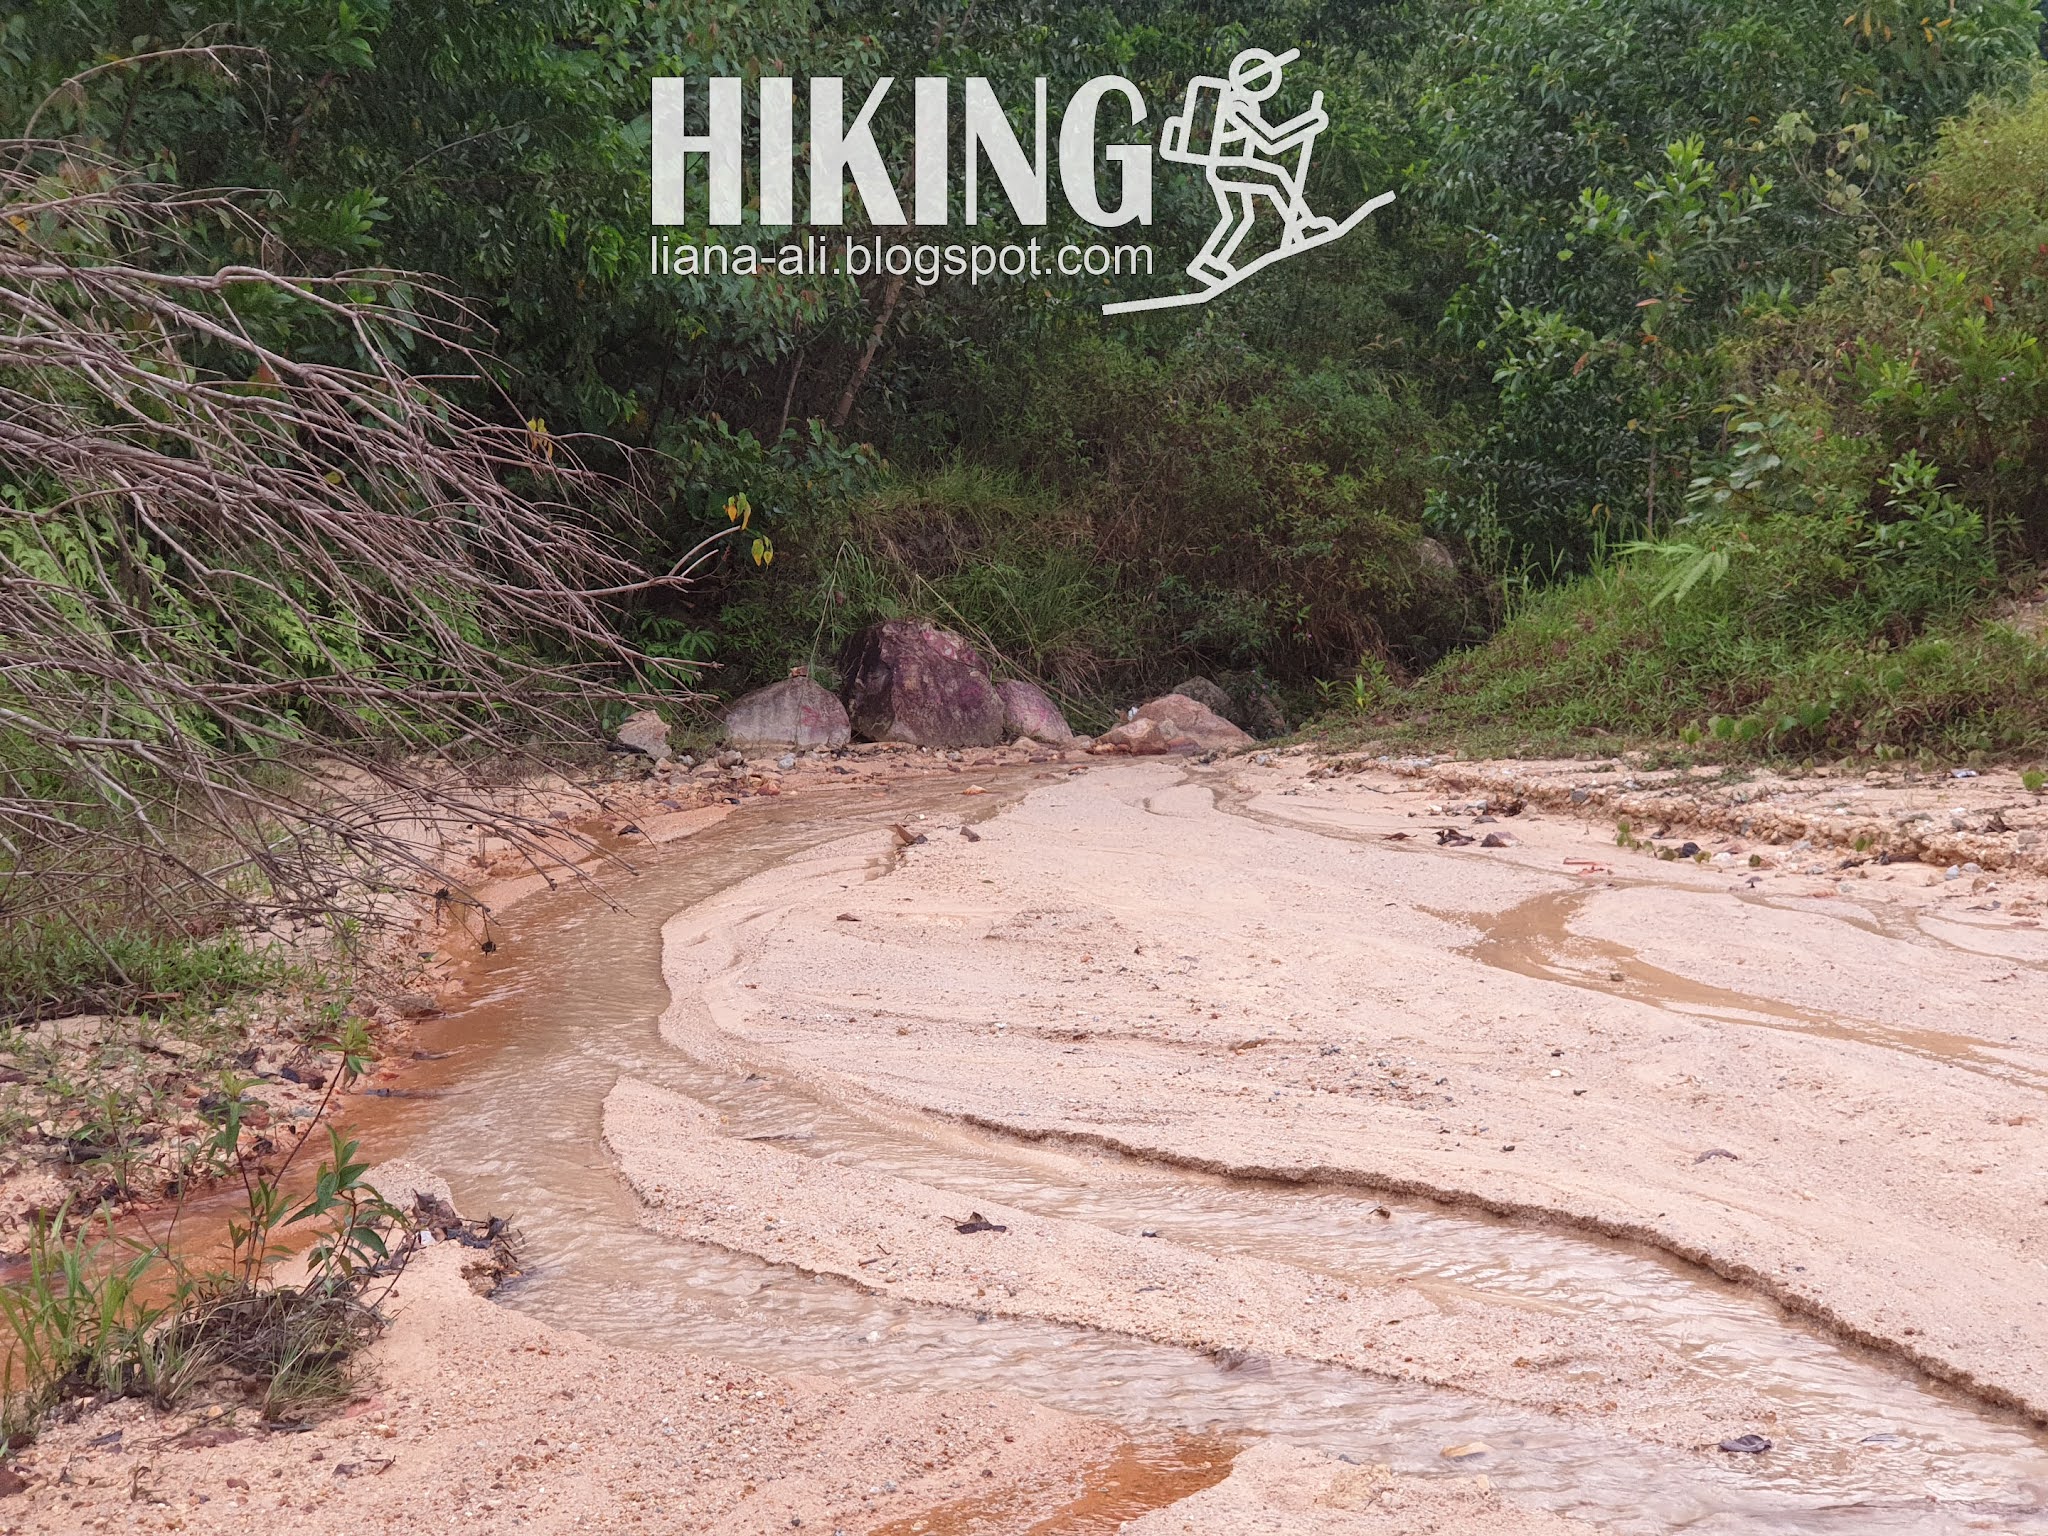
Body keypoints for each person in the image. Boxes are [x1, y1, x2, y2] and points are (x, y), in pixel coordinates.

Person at [1182, 48, 1338, 287]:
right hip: (1226, 167)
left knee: (1243, 217)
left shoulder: (1245, 106)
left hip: (1234, 167)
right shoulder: (1235, 106)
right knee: (1276, 177)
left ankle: (1208, 263)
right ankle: (1304, 225)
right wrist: (1307, 124)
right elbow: (1270, 143)